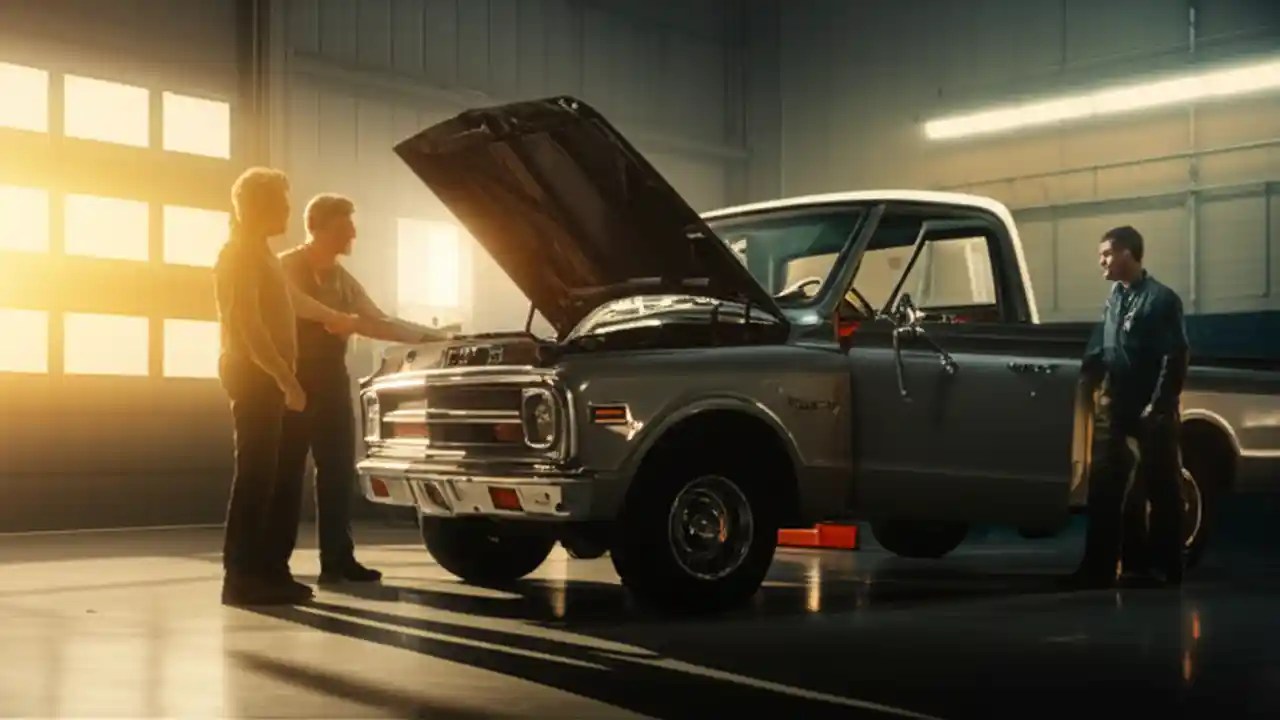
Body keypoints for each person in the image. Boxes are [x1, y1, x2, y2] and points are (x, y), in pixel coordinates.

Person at [269, 193, 452, 585]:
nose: (353, 232)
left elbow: (377, 320)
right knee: (285, 475)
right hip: (294, 383)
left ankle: (337, 561)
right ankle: (274, 565)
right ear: (317, 226)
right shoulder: (286, 266)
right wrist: (341, 319)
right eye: (344, 225)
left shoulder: (343, 279)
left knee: (336, 473)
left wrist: (432, 336)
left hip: (332, 382)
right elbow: (294, 303)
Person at [1069, 225, 1190, 589]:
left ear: (1127, 253)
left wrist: (1158, 407)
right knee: (1105, 489)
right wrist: (1081, 378)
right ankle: (1099, 569)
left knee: (1163, 490)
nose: (1101, 262)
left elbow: (1176, 355)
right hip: (1116, 405)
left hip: (1151, 409)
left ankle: (1166, 570)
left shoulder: (1162, 300)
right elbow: (1100, 348)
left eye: (1106, 254)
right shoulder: (1114, 299)